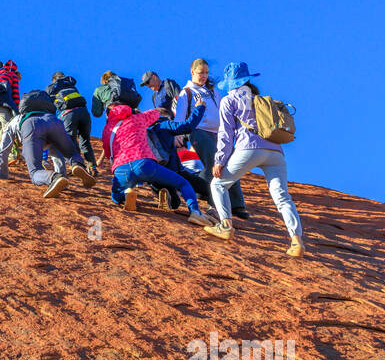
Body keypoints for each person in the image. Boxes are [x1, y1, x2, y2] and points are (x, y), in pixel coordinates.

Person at [204, 62, 304, 256]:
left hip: (248, 149)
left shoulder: (229, 100)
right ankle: (296, 241)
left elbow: (226, 134)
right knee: (282, 197)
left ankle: (225, 226)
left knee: (218, 184)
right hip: (275, 151)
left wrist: (219, 160)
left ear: (229, 82)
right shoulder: (259, 98)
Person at [101, 100, 213, 224]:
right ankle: (195, 213)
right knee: (183, 184)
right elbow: (156, 114)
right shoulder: (138, 118)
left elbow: (107, 153)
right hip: (144, 164)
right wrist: (199, 108)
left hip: (121, 169)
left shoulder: (107, 130)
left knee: (115, 196)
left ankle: (126, 194)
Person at [175, 58, 250, 219]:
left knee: (230, 164)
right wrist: (178, 137)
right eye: (201, 72)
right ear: (192, 72)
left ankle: (236, 205)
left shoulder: (213, 91)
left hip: (219, 133)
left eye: (207, 73)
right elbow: (180, 117)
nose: (204, 76)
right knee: (214, 164)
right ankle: (213, 204)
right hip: (199, 131)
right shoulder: (187, 92)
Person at [0, 90, 96, 198]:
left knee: (35, 171)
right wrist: (63, 178)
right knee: (70, 154)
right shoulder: (47, 114)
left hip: (31, 126)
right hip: (54, 121)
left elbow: (3, 151)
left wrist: (3, 174)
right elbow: (58, 157)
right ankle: (77, 165)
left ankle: (53, 178)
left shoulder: (13, 121)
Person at [46, 72, 97, 175]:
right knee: (85, 141)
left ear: (53, 79)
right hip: (84, 113)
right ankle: (92, 168)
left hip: (68, 114)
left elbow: (49, 106)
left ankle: (78, 165)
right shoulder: (71, 85)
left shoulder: (52, 87)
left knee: (70, 140)